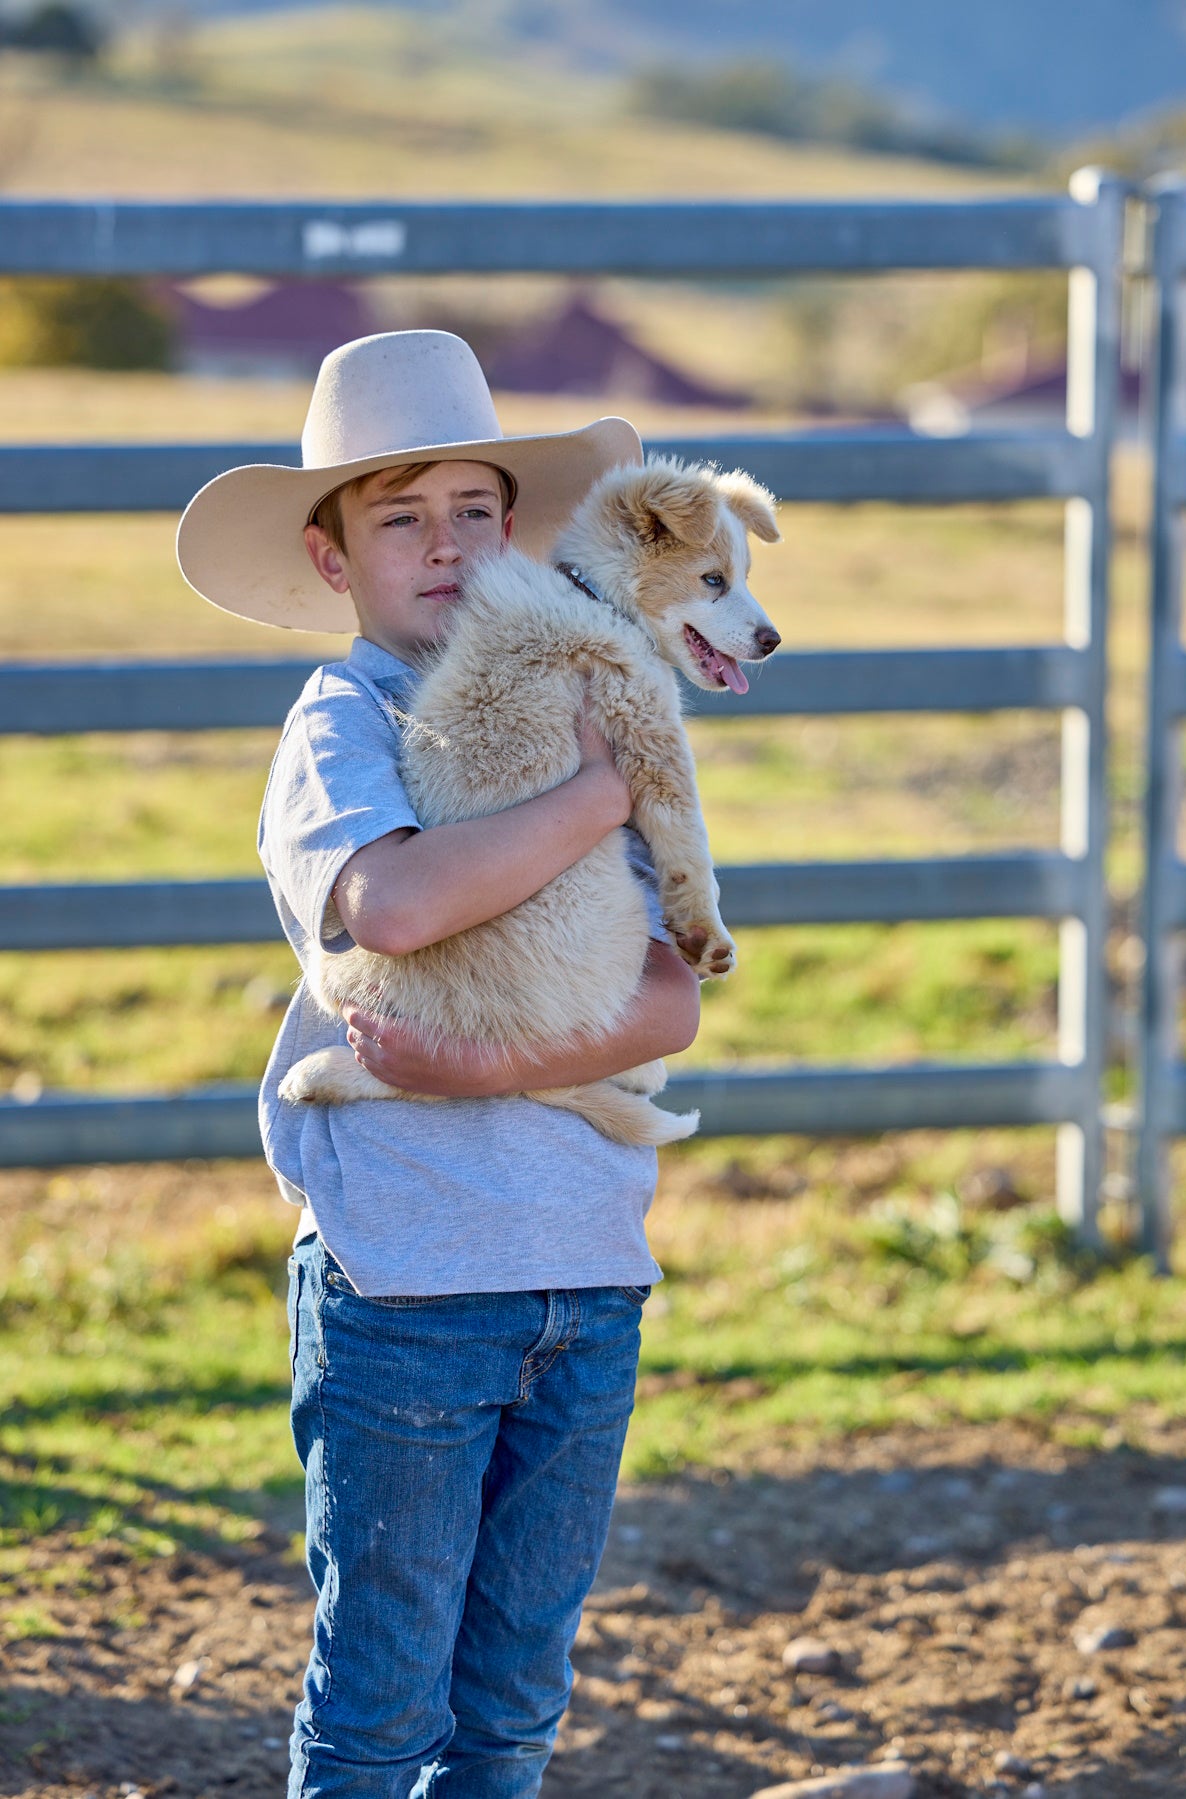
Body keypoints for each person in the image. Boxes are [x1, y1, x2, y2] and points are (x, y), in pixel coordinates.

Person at [176, 330, 702, 1798]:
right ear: (333, 557)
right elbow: (398, 904)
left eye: (476, 509)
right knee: (383, 1698)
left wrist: (486, 1069)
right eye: (399, 517)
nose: (448, 546)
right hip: (407, 1278)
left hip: (586, 1267)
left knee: (516, 1693)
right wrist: (605, 788)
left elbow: (670, 1005)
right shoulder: (343, 727)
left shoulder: (585, 700)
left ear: (517, 527)